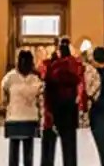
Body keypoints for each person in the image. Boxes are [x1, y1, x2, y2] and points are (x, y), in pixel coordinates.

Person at [43, 37, 85, 166]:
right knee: (69, 149)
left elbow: (47, 85)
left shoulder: (52, 66)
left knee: (48, 149)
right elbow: (80, 82)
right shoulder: (75, 66)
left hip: (53, 110)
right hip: (70, 111)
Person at [1, 49, 43, 166]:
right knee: (28, 151)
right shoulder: (36, 79)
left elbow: (4, 97)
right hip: (30, 117)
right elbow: (40, 99)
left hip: (14, 117)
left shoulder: (9, 77)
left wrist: (6, 107)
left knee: (13, 151)